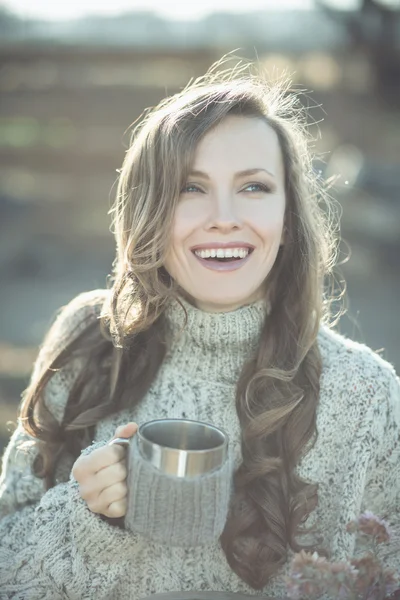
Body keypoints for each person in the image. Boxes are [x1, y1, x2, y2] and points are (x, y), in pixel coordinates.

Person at [0, 57, 399, 600]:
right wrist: (87, 517)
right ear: (150, 211)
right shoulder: (87, 343)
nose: (223, 217)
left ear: (287, 220)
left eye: (254, 187)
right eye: (190, 188)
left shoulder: (367, 396)